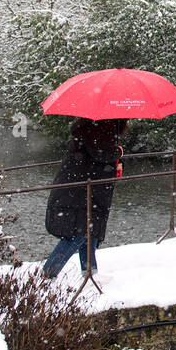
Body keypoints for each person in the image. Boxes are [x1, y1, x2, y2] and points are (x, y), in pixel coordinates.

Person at [42, 117, 127, 278]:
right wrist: (118, 152)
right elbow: (101, 155)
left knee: (89, 235)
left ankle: (89, 276)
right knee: (78, 235)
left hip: (81, 194)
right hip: (79, 196)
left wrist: (116, 158)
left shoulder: (88, 131)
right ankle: (46, 277)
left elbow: (98, 160)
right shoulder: (95, 133)